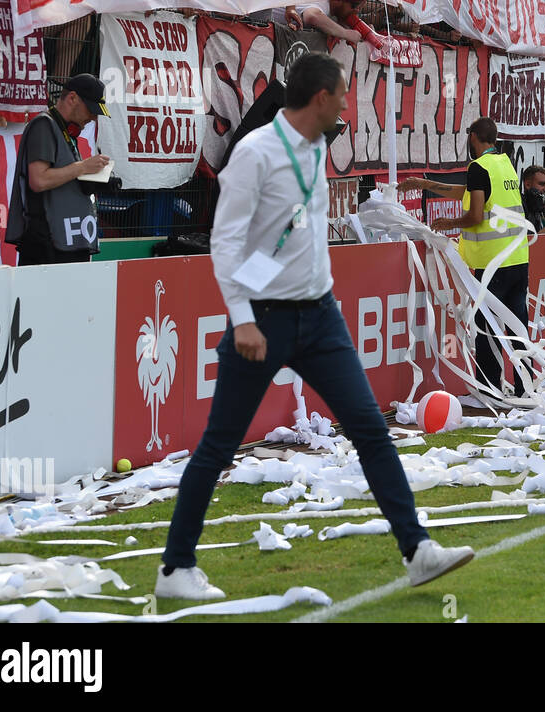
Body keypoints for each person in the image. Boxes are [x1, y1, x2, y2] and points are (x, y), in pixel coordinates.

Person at [157, 53, 474, 599]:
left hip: (321, 317)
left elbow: (300, 233)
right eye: (344, 95)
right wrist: (243, 320)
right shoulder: (253, 155)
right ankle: (174, 569)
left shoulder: (315, 148)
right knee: (219, 444)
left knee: (371, 429)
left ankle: (418, 550)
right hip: (264, 321)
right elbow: (226, 245)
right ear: (321, 98)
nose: (349, 104)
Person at [400, 117, 531, 400]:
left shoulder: (478, 166)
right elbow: (469, 193)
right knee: (518, 327)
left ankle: (490, 392)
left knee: (486, 330)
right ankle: (525, 390)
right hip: (518, 258)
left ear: (473, 137)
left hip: (492, 262)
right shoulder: (504, 164)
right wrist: (424, 183)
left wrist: (449, 224)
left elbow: (475, 214)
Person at [5, 75, 112, 266]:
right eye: (91, 110)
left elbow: (65, 179)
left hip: (64, 242)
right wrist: (82, 167)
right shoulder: (44, 125)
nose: (93, 118)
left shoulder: (64, 131)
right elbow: (39, 180)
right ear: (72, 98)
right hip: (46, 245)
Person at [521, 165, 545, 233]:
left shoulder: (539, 207)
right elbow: (530, 241)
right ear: (527, 185)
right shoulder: (520, 207)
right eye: (542, 184)